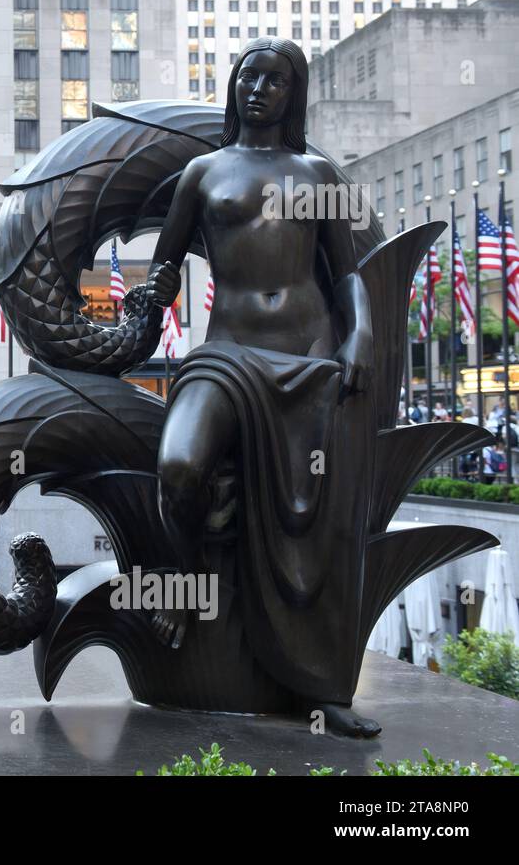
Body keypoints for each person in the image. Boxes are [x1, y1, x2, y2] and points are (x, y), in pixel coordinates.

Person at [145, 36, 378, 736]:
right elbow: (160, 273)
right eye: (249, 76)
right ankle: (181, 584)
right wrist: (144, 299)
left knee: (319, 514)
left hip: (305, 362)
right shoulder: (203, 173)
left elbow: (347, 272)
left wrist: (361, 331)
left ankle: (325, 686)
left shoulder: (316, 174)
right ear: (233, 86)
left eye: (276, 80)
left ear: (292, 94)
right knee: (179, 464)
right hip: (226, 353)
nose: (260, 90)